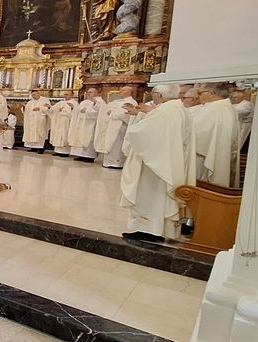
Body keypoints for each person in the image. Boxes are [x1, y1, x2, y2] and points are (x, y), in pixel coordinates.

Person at [120, 85, 195, 242]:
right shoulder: (178, 108)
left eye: (153, 94)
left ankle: (148, 229)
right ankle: (159, 229)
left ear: (158, 95)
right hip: (167, 161)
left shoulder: (165, 111)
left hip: (155, 166)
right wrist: (143, 113)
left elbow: (142, 133)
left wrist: (136, 123)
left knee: (151, 196)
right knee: (161, 199)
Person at [192, 83, 240, 187]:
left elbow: (195, 133)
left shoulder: (214, 108)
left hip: (204, 159)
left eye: (200, 93)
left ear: (211, 93)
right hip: (220, 154)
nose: (198, 96)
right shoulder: (227, 107)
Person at [95, 86, 138, 169]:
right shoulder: (116, 101)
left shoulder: (131, 102)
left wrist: (112, 113)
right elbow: (107, 109)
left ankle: (117, 163)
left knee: (117, 145)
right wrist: (110, 111)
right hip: (112, 125)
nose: (120, 91)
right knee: (110, 143)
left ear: (129, 92)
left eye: (123, 90)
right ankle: (108, 162)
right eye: (121, 90)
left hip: (120, 126)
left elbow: (126, 114)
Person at [69, 88, 104, 163]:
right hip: (81, 123)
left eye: (90, 92)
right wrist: (74, 109)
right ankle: (81, 155)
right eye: (88, 92)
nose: (88, 93)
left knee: (89, 139)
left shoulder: (99, 101)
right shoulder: (84, 102)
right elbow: (77, 110)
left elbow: (99, 112)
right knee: (80, 138)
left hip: (91, 124)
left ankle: (89, 156)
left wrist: (86, 112)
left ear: (96, 93)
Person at [48, 91, 77, 156]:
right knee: (58, 135)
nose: (65, 96)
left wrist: (72, 108)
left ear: (72, 95)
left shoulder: (74, 103)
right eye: (65, 94)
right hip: (59, 121)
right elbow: (53, 109)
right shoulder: (61, 102)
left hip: (67, 122)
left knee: (64, 135)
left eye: (67, 94)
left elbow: (75, 113)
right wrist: (50, 107)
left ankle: (65, 152)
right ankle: (58, 151)